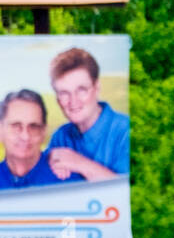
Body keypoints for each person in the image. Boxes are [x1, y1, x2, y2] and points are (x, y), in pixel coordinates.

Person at [47, 47, 130, 182]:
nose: (73, 101)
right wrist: (51, 158)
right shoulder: (60, 137)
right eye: (64, 93)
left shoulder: (125, 130)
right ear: (57, 98)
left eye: (81, 90)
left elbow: (131, 193)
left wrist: (79, 163)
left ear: (97, 88)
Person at [0, 89, 84, 189]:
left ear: (43, 132)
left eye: (33, 127)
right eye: (16, 126)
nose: (25, 136)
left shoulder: (69, 181)